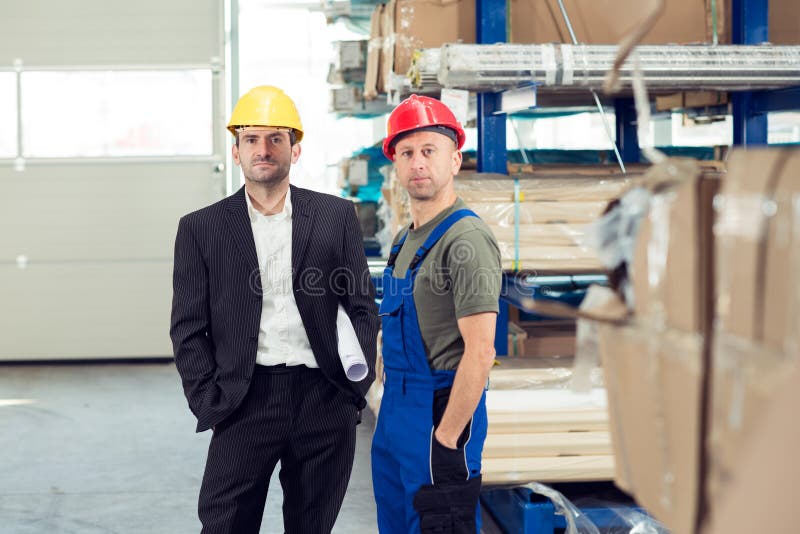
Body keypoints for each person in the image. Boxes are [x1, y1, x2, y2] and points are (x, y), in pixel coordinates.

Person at [170, 85, 379, 534]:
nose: (262, 150)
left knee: (312, 524)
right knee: (224, 524)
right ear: (236, 150)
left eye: (275, 139)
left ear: (295, 149)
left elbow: (361, 306)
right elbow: (188, 328)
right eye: (251, 139)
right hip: (244, 398)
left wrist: (350, 393)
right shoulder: (200, 228)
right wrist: (208, 399)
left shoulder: (335, 216)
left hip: (323, 396)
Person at [371, 94, 502, 533]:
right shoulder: (403, 240)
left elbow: (481, 353)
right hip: (396, 415)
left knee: (438, 523)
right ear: (396, 163)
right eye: (406, 152)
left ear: (455, 160)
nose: (417, 162)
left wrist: (446, 437)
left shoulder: (465, 240)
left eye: (430, 151)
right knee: (397, 522)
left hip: (437, 413)